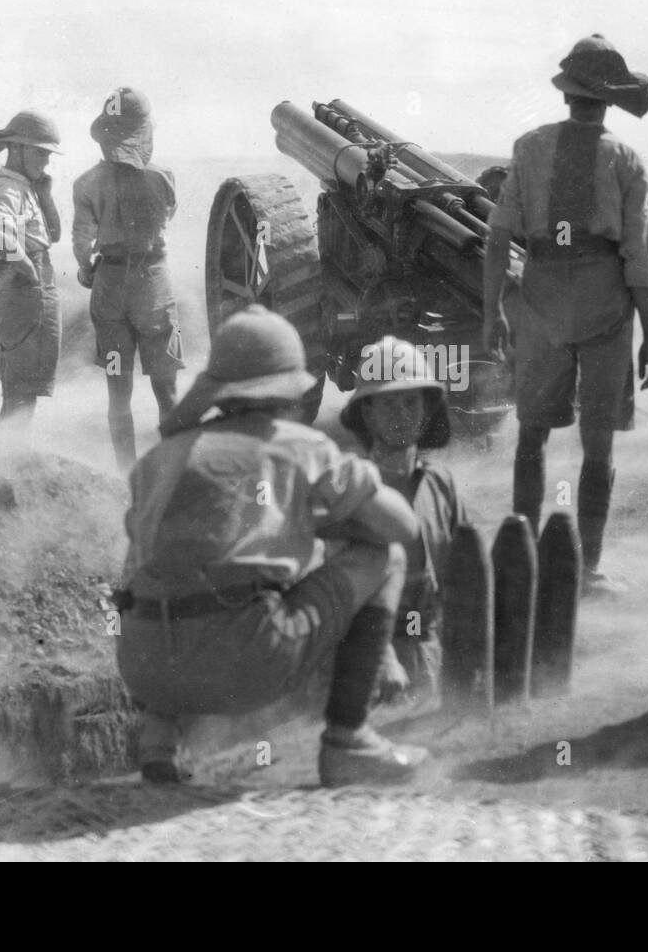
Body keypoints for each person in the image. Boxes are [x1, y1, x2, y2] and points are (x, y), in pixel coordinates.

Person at [115, 305, 430, 786]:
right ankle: (349, 742)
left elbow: (148, 558)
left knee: (165, 582)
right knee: (383, 559)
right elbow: (402, 526)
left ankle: (161, 740)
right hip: (246, 660)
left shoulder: (158, 460)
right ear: (289, 387)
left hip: (143, 666)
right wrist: (327, 520)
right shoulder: (299, 445)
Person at [482, 33, 648, 597]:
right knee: (599, 440)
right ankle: (588, 571)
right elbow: (640, 258)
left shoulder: (528, 147)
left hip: (540, 300)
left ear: (568, 95)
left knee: (531, 434)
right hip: (606, 301)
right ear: (608, 101)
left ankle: (520, 559)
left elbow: (497, 237)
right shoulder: (626, 159)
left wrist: (492, 313)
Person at [339, 336, 470, 702]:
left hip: (437, 656)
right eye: (389, 404)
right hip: (371, 667)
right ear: (367, 413)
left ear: (428, 409)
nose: (401, 414)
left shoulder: (440, 484)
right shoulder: (352, 491)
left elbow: (465, 578)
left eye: (411, 402)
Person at [73, 88, 184, 471]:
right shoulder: (163, 177)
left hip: (109, 288)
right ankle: (173, 471)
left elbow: (81, 242)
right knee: (166, 387)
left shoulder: (86, 183)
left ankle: (125, 472)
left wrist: (88, 271)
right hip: (152, 285)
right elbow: (167, 218)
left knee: (118, 389)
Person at [0, 110, 64, 426]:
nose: (46, 161)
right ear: (17, 149)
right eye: (40, 152)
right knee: (21, 392)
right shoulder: (9, 188)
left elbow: (53, 234)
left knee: (25, 391)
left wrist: (46, 195)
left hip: (29, 286)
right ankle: (6, 462)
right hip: (26, 288)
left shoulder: (24, 186)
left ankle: (10, 460)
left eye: (47, 154)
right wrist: (30, 272)